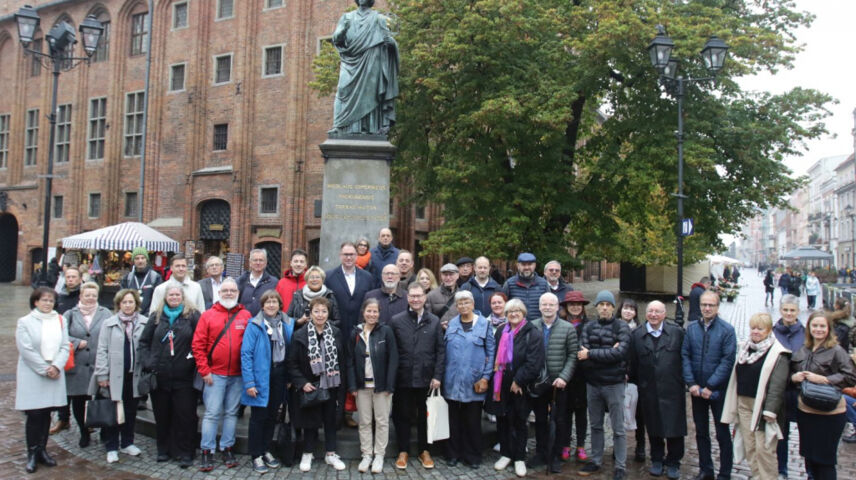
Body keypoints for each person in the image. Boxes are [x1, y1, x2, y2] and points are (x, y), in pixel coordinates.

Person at [721, 312, 790, 480]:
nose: (756, 332)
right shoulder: (746, 348)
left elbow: (777, 385)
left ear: (769, 330)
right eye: (753, 328)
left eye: (760, 329)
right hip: (743, 403)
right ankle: (757, 476)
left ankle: (768, 477)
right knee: (750, 445)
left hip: (762, 406)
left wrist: (770, 410)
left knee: (764, 448)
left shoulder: (778, 353)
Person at [192, 278, 252, 472]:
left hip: (237, 375)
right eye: (225, 290)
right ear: (219, 293)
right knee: (211, 414)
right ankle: (207, 450)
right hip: (214, 375)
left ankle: (227, 447)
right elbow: (198, 345)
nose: (229, 293)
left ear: (238, 293)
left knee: (231, 413)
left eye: (232, 291)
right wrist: (204, 370)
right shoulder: (208, 315)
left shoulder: (245, 315)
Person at [138, 285, 201, 467]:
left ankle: (186, 451)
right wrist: (149, 362)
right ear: (165, 297)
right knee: (162, 415)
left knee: (185, 416)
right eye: (171, 295)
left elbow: (201, 340)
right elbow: (144, 342)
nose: (174, 297)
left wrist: (193, 362)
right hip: (160, 376)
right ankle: (163, 449)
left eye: (177, 294)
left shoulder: (192, 316)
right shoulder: (156, 317)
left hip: (184, 377)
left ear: (183, 296)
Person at [790, 311, 856, 480]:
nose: (818, 329)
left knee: (825, 462)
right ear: (809, 328)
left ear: (828, 329)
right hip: (806, 412)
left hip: (829, 414)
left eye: (822, 326)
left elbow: (850, 376)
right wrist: (794, 377)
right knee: (810, 459)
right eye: (815, 325)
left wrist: (825, 379)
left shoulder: (836, 351)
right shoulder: (803, 349)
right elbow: (790, 371)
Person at [287, 297, 349, 472]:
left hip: (331, 384)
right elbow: (292, 363)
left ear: (328, 313)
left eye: (324, 311)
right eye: (316, 311)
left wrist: (341, 385)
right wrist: (302, 383)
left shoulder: (336, 332)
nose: (320, 315)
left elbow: (342, 360)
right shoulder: (300, 335)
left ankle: (331, 453)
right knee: (310, 421)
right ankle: (308, 453)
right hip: (310, 386)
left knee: (331, 419)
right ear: (310, 313)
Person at [389, 283, 445, 470]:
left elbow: (440, 351)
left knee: (425, 416)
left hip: (426, 377)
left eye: (419, 296)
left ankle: (424, 450)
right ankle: (403, 450)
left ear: (424, 297)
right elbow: (391, 350)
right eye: (412, 296)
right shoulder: (396, 321)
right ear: (407, 298)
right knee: (402, 415)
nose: (415, 299)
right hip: (403, 377)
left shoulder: (434, 321)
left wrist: (437, 375)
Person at [682, 290, 736, 480]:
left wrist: (711, 386)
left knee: (722, 433)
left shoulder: (727, 330)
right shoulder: (692, 329)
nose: (706, 308)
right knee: (701, 432)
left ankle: (725, 472)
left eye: (710, 305)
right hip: (697, 390)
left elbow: (727, 361)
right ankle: (706, 469)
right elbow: (685, 356)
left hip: (718, 391)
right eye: (704, 304)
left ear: (717, 307)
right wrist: (691, 383)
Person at [628, 301, 685, 480]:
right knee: (654, 427)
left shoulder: (677, 333)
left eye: (657, 311)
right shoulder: (637, 335)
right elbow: (632, 363)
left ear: (664, 314)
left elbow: (685, 358)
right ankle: (657, 459)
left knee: (675, 428)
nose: (653, 314)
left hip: (672, 388)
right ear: (645, 313)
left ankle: (674, 462)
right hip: (648, 389)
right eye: (650, 311)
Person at [577, 290, 631, 479]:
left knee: (618, 428)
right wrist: (608, 354)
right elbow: (582, 356)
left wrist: (592, 354)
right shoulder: (588, 327)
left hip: (614, 384)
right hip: (593, 384)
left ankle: (620, 466)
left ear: (613, 308)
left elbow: (620, 353)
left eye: (608, 305)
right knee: (596, 425)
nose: (605, 308)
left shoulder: (622, 327)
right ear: (597, 307)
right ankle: (596, 460)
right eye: (601, 305)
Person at [16, 287, 70, 473]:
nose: (48, 303)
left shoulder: (60, 320)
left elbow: (65, 346)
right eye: (44, 300)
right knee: (34, 414)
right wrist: (45, 369)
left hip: (54, 371)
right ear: (36, 302)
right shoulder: (25, 322)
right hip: (34, 372)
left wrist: (56, 366)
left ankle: (42, 450)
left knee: (47, 412)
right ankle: (32, 452)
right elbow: (26, 349)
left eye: (51, 300)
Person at [488, 298, 543, 478]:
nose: (513, 314)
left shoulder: (532, 333)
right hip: (501, 384)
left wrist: (519, 380)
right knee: (502, 419)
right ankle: (505, 454)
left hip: (520, 386)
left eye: (517, 311)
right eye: (510, 311)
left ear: (523, 313)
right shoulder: (501, 331)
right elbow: (496, 356)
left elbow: (534, 362)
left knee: (519, 421)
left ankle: (519, 457)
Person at [92, 289, 148, 463]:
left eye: (131, 302)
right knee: (114, 410)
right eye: (124, 302)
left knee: (130, 411)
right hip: (114, 376)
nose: (128, 305)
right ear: (119, 304)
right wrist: (102, 374)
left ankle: (127, 442)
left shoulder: (144, 322)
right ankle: (111, 446)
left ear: (136, 304)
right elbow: (102, 349)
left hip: (134, 375)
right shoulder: (109, 323)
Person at [442, 291, 496, 469]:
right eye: (460, 303)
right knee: (453, 421)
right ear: (456, 307)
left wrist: (486, 377)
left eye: (466, 302)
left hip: (474, 381)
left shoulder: (484, 325)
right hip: (452, 380)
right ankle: (453, 454)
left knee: (472, 422)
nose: (463, 306)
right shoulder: (451, 324)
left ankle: (472, 455)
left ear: (473, 304)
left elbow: (491, 353)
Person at [241, 290, 293, 474]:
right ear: (262, 306)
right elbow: (246, 354)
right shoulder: (254, 325)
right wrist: (249, 382)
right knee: (258, 417)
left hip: (279, 374)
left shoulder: (286, 324)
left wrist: (288, 378)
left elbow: (290, 351)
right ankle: (256, 454)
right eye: (268, 302)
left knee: (272, 416)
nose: (271, 305)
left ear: (280, 305)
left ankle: (266, 449)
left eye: (274, 302)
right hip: (260, 376)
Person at [329, 0, 399, 136]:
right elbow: (336, 39)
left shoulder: (379, 19)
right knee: (342, 90)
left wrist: (392, 44)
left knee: (370, 93)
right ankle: (340, 125)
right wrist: (341, 31)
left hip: (372, 60)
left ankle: (370, 128)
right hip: (350, 61)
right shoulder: (347, 17)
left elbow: (387, 40)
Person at [347, 298, 399, 474]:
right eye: (369, 311)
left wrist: (390, 385)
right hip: (362, 386)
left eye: (375, 311)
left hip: (381, 386)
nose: (372, 314)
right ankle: (367, 454)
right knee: (364, 421)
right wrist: (352, 385)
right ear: (363, 312)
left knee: (382, 421)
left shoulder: (386, 331)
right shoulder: (355, 333)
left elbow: (393, 359)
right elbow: (350, 361)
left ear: (379, 313)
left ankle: (379, 455)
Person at [529, 292, 578, 473]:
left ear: (557, 307)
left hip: (559, 383)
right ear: (539, 306)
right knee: (540, 419)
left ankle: (556, 454)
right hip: (539, 382)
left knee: (559, 420)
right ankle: (541, 452)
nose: (548, 307)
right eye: (544, 304)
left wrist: (564, 377)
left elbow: (573, 355)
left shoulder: (568, 328)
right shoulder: (532, 326)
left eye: (551, 304)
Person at [64, 281, 112, 449]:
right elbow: (60, 335)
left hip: (99, 364)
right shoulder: (70, 314)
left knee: (103, 398)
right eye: (87, 295)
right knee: (79, 400)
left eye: (94, 295)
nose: (91, 298)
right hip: (77, 365)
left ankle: (105, 431)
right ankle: (84, 432)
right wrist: (77, 342)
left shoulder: (105, 313)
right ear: (81, 296)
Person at [772, 294, 805, 479]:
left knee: (806, 432)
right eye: (785, 310)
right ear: (780, 310)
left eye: (792, 310)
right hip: (781, 390)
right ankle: (781, 469)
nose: (789, 313)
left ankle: (810, 471)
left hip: (800, 390)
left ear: (798, 311)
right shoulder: (773, 332)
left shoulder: (805, 333)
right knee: (781, 433)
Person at [560, 290, 591, 463]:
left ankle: (580, 445)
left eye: (578, 304)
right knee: (565, 411)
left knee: (581, 412)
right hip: (565, 373)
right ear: (566, 307)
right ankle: (565, 443)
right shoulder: (560, 323)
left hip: (583, 374)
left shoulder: (589, 324)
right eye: (572, 304)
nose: (575, 307)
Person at [325, 242, 374, 339]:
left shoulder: (367, 277)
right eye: (345, 254)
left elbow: (371, 301)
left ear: (356, 256)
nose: (348, 257)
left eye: (351, 254)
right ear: (340, 255)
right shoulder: (329, 277)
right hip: (336, 331)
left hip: (361, 330)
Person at [619, 297, 646, 462]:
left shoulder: (640, 330)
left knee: (638, 412)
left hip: (636, 377)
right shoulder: (614, 327)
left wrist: (630, 371)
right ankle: (619, 446)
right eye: (625, 308)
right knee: (619, 413)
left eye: (631, 309)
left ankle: (640, 445)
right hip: (618, 376)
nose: (628, 311)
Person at [502, 252, 549, 321]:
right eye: (523, 265)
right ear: (518, 266)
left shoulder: (543, 284)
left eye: (530, 264)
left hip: (537, 325)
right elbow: (503, 306)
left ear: (535, 265)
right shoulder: (509, 284)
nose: (527, 267)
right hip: (516, 324)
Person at [120, 247, 163, 315]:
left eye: (143, 258)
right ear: (133, 261)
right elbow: (122, 298)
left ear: (146, 260)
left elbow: (159, 300)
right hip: (130, 316)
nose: (140, 261)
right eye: (137, 258)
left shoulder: (155, 277)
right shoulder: (127, 278)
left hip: (149, 317)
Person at [236, 249, 279, 317]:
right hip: (243, 321)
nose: (258, 263)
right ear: (250, 263)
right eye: (255, 260)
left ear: (265, 263)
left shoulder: (273, 282)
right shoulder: (240, 281)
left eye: (261, 260)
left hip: (264, 321)